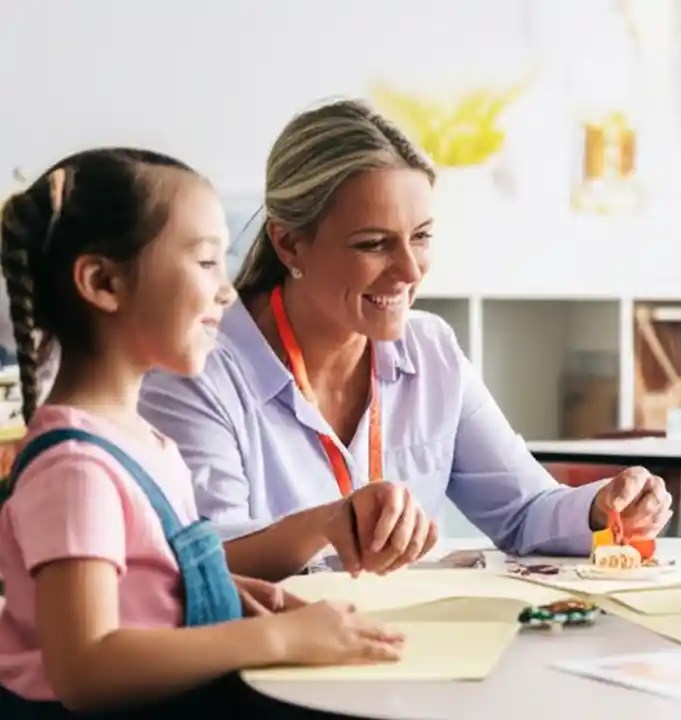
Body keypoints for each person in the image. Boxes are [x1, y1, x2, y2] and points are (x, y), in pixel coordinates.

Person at [139, 99, 672, 582]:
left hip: (398, 647)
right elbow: (204, 562)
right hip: (268, 663)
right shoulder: (195, 368)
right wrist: (329, 524)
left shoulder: (430, 349)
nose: (410, 269)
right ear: (289, 244)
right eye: (373, 244)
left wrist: (602, 509)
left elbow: (523, 511)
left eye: (421, 237)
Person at [0, 149, 405, 717]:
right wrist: (278, 640)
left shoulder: (144, 444)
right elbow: (86, 668)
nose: (228, 291)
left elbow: (137, 592)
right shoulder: (75, 470)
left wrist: (222, 592)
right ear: (103, 281)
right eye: (206, 261)